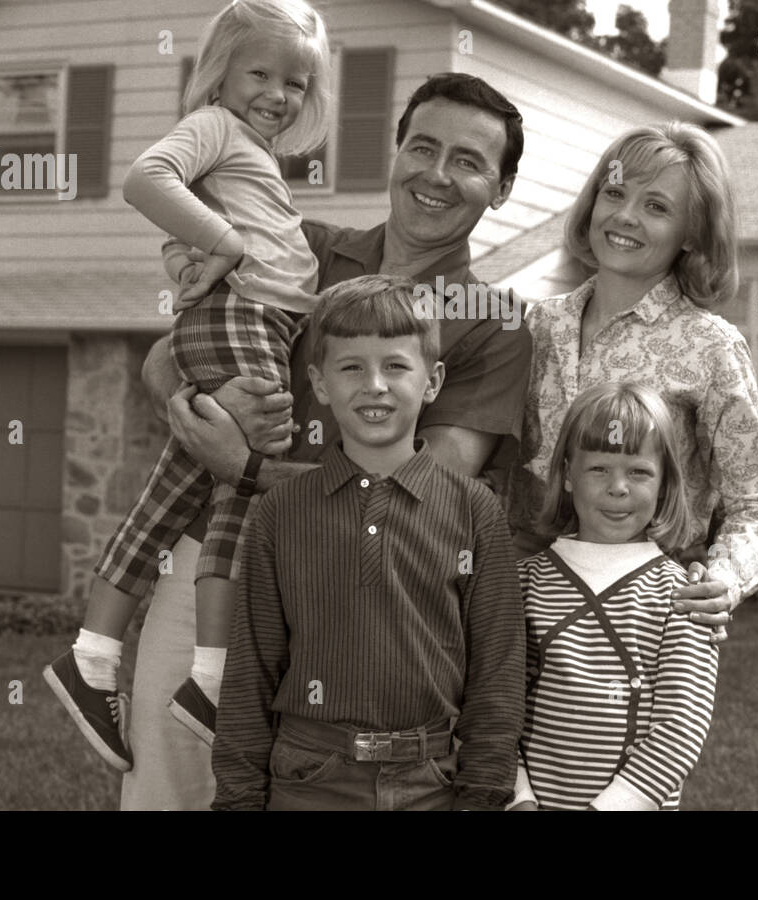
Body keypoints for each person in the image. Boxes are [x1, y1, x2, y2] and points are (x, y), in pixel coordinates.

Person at [120, 72, 532, 809]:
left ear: (500, 190)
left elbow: (423, 485)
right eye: (424, 147)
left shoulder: (494, 324)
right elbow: (162, 358)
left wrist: (246, 465)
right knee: (167, 783)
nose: (437, 174)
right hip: (212, 553)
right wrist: (205, 397)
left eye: (469, 162)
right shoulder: (300, 247)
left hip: (353, 587)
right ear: (396, 151)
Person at [44, 0, 332, 767]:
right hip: (243, 316)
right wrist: (224, 244)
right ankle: (212, 674)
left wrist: (203, 247)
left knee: (178, 488)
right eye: (259, 76)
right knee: (246, 473)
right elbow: (144, 180)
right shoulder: (211, 125)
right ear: (219, 74)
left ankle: (93, 652)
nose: (277, 95)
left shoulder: (248, 147)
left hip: (251, 316)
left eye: (295, 82)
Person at [211, 275, 526, 811]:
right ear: (319, 382)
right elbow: (250, 672)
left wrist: (483, 793)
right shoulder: (281, 512)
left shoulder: (475, 511)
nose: (374, 385)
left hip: (432, 781)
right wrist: (238, 798)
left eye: (396, 365)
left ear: (433, 381)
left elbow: (497, 671)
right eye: (351, 366)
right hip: (308, 777)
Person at [509, 122, 758, 630]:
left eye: (656, 207)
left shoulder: (711, 347)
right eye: (614, 193)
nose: (625, 216)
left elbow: (755, 502)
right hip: (524, 606)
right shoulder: (536, 326)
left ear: (693, 234)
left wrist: (722, 579)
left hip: (648, 618)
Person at [509, 381, 718, 811]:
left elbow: (681, 727)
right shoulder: (521, 584)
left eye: (638, 471)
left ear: (665, 484)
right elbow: (494, 704)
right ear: (567, 475)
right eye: (599, 469)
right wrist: (519, 799)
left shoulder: (683, 597)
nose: (618, 487)